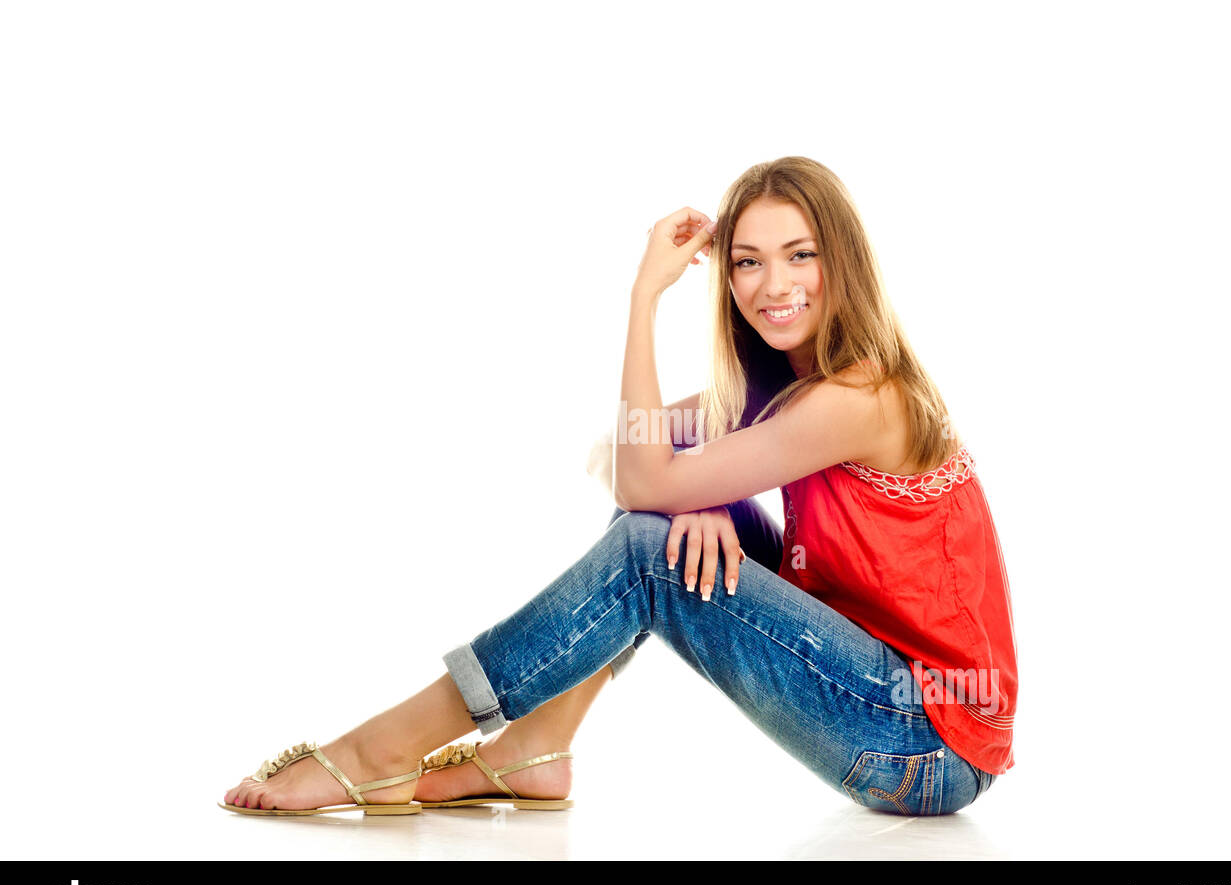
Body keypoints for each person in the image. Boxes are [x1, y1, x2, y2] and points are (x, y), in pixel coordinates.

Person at [221, 156, 1017, 818]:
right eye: (748, 261)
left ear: (841, 261)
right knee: (669, 523)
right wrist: (696, 498)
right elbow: (622, 453)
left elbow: (641, 476)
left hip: (924, 739)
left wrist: (644, 297)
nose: (774, 284)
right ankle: (534, 750)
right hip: (883, 689)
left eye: (800, 254)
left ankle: (382, 748)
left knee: (652, 548)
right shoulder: (785, 382)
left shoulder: (858, 397)